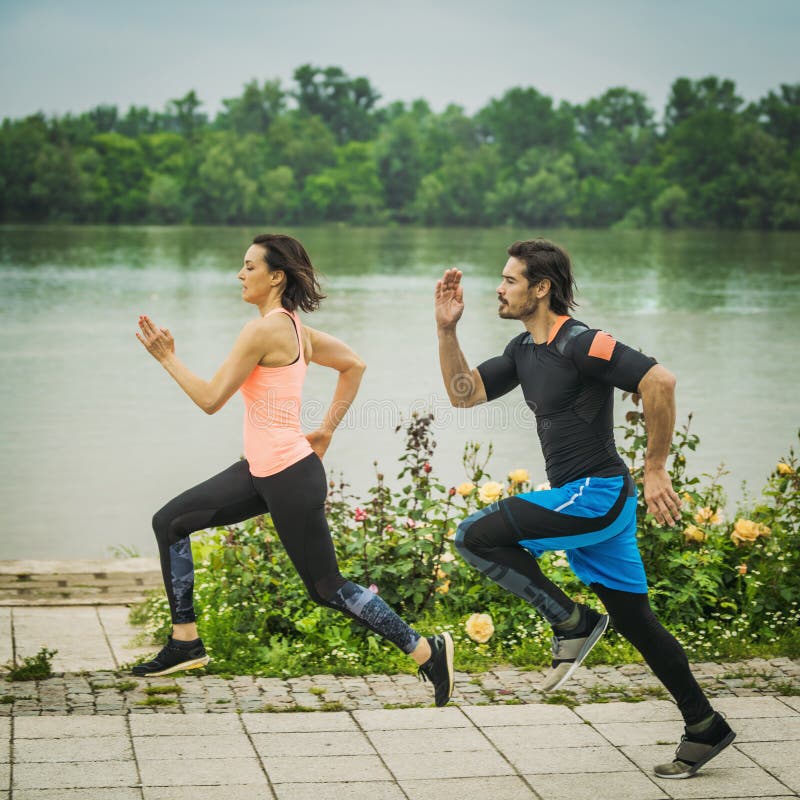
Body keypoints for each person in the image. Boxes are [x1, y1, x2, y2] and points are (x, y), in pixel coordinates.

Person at [434, 237, 735, 777]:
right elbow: (464, 392)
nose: (499, 289)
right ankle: (705, 726)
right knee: (637, 622)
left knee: (473, 534)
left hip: (596, 494)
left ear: (541, 288)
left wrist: (656, 466)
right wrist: (446, 329)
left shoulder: (581, 342)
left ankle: (571, 623)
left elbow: (658, 380)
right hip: (590, 504)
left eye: (510, 280)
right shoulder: (522, 351)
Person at [133, 233, 454, 707]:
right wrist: (324, 432)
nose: (240, 275)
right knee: (171, 522)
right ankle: (186, 642)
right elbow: (355, 364)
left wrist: (166, 357)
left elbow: (208, 399)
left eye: (249, 267)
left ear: (275, 276)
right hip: (262, 471)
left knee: (328, 589)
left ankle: (428, 651)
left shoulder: (263, 330)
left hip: (288, 477)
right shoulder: (296, 330)